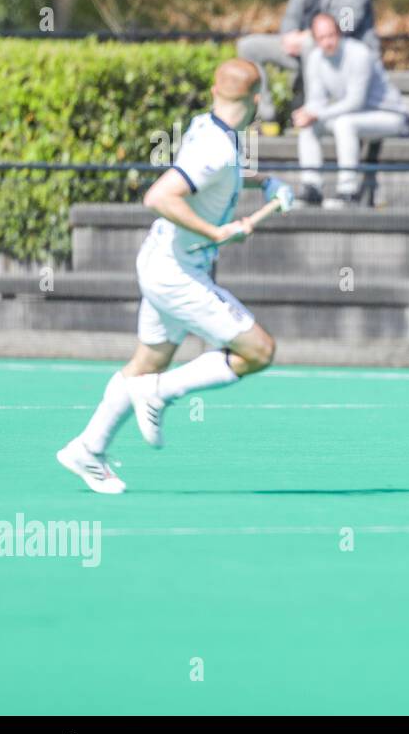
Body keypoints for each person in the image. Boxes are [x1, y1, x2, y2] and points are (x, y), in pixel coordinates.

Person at [56, 60, 284, 493]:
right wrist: (217, 232)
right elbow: (160, 196)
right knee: (258, 350)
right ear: (256, 101)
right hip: (177, 275)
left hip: (161, 262)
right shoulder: (216, 148)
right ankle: (161, 393)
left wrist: (266, 182)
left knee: (147, 362)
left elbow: (215, 175)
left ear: (216, 91)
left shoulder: (210, 128)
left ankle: (87, 449)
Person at [236, 0, 377, 123]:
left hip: (338, 47)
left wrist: (311, 36)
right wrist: (289, 36)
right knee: (248, 47)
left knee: (311, 45)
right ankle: (266, 112)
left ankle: (313, 115)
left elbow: (349, 17)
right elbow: (292, 14)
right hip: (301, 45)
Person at [293, 13, 408, 207]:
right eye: (322, 37)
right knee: (309, 127)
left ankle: (348, 192)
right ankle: (312, 187)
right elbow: (316, 100)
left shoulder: (360, 54)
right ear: (315, 39)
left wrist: (316, 113)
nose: (328, 42)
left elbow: (356, 101)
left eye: (331, 35)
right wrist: (305, 113)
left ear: (339, 33)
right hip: (353, 116)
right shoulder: (314, 59)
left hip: (389, 116)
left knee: (344, 124)